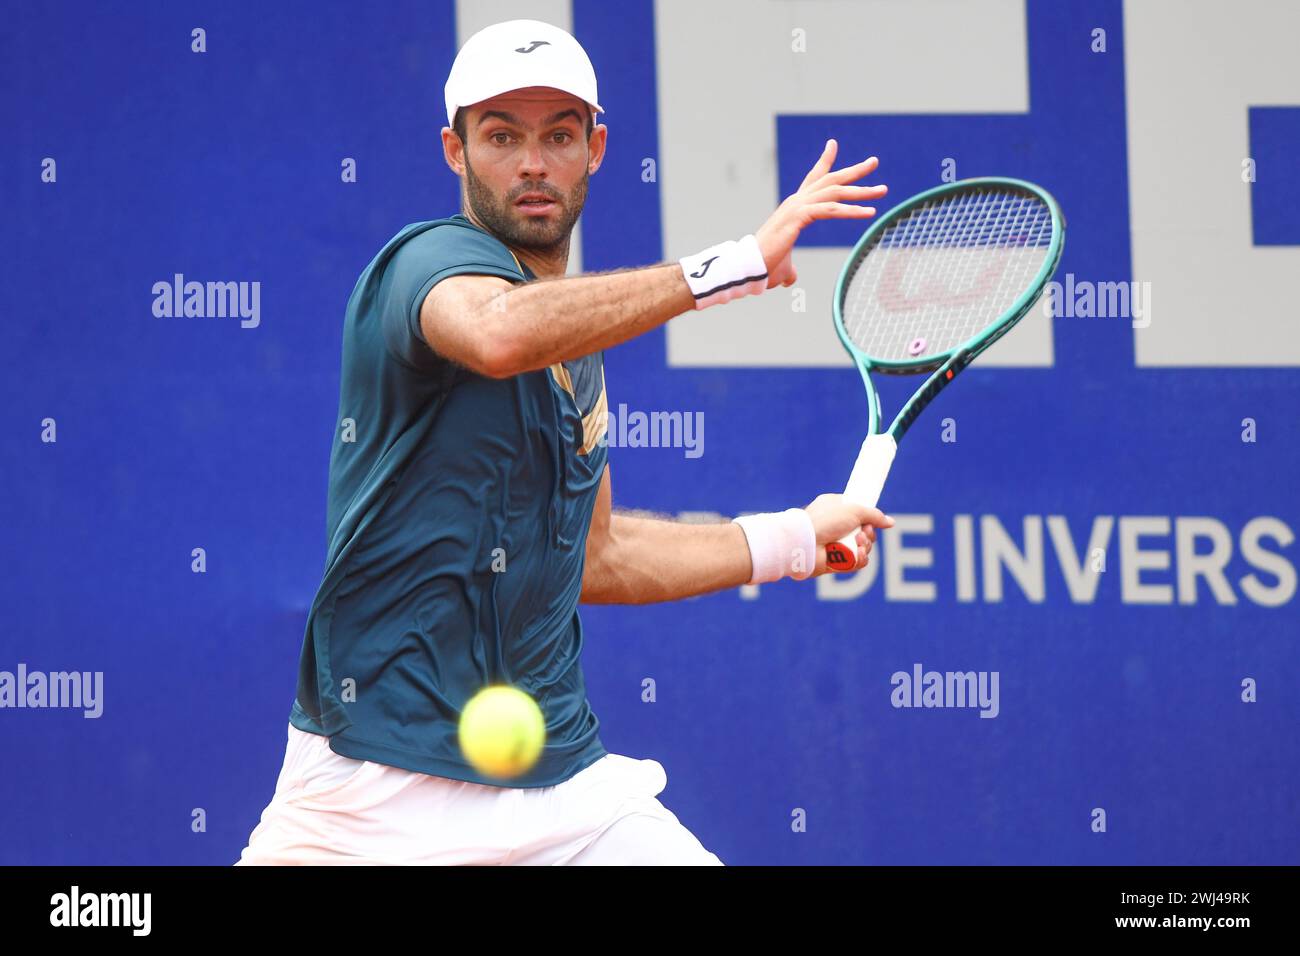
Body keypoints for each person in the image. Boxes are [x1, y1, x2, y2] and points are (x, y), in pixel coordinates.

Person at [236, 17, 891, 866]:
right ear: (454, 151)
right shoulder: (422, 265)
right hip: (360, 795)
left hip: (563, 796)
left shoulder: (576, 343)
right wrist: (730, 266)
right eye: (501, 136)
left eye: (559, 135)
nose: (533, 163)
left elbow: (598, 556)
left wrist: (795, 538)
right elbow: (498, 332)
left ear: (597, 148)